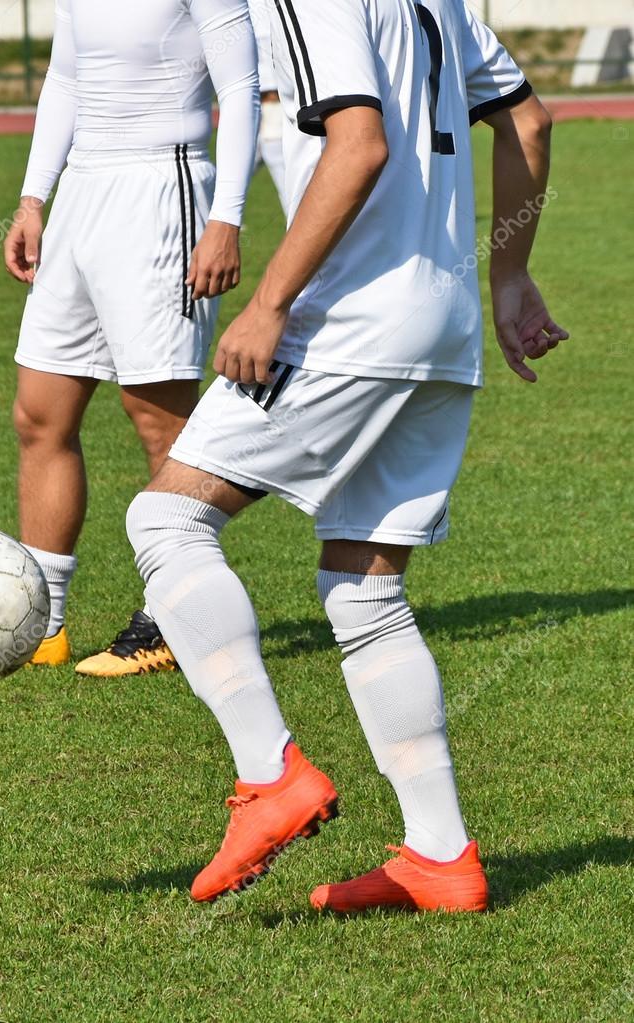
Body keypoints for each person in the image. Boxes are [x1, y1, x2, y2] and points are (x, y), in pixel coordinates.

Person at [126, 0, 567, 910]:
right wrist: (510, 274)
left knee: (166, 517)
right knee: (364, 587)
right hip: (442, 329)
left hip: (354, 322)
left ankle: (269, 774)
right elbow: (529, 116)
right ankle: (440, 857)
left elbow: (358, 144)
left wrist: (271, 301)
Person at [3, 0, 259, 677]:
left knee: (160, 422)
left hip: (161, 184)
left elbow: (240, 87)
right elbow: (66, 79)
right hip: (82, 193)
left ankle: (174, 620)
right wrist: (34, 198)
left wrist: (226, 218)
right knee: (39, 412)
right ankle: (43, 622)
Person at [248, 0, 289, 213]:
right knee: (236, 171)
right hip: (252, 101)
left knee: (283, 170)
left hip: (274, 101)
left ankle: (297, 222)